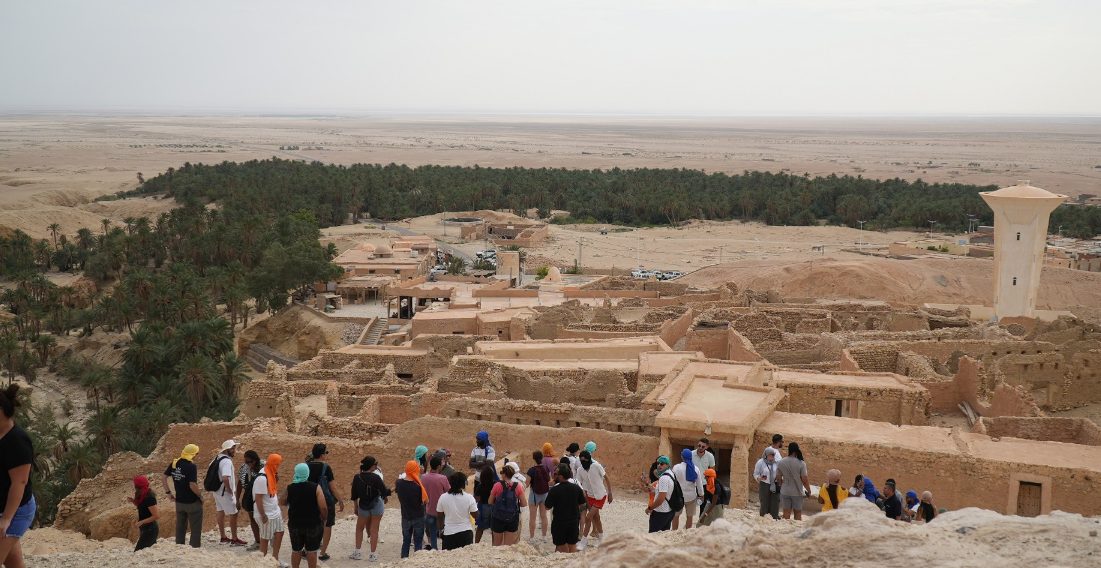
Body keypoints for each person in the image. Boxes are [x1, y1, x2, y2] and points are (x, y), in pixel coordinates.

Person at [0, 385, 36, 568]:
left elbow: (19, 482)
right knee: (15, 564)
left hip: (15, 511)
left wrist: (6, 519)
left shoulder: (17, 441)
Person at [304, 443, 344, 561]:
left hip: (310, 499)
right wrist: (340, 501)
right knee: (327, 525)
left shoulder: (306, 466)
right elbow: (332, 487)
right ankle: (322, 553)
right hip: (325, 500)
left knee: (311, 524)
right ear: (322, 455)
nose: (326, 455)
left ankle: (307, 550)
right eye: (326, 453)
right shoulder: (326, 467)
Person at [282, 463, 327, 568]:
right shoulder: (316, 487)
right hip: (312, 523)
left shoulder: (290, 487)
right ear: (307, 473)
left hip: (295, 524)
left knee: (296, 550)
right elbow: (323, 507)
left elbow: (282, 501)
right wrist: (324, 518)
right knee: (312, 551)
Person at [162, 443, 203, 548]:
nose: (196, 455)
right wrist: (200, 495)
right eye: (196, 453)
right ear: (192, 454)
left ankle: (179, 547)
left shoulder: (175, 463)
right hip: (192, 502)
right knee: (195, 528)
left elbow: (164, 477)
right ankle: (194, 549)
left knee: (180, 527)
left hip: (179, 502)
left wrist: (168, 493)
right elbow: (192, 484)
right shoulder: (191, 466)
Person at [350, 456, 389, 562]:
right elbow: (384, 491)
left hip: (363, 505)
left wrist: (355, 507)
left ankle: (357, 552)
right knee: (374, 530)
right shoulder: (376, 478)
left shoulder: (357, 477)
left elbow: (354, 495)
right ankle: (372, 555)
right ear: (371, 466)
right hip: (376, 504)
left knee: (359, 528)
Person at [544, 463, 586, 553]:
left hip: (559, 522)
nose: (556, 476)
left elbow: (547, 507)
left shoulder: (554, 490)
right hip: (574, 521)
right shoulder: (576, 488)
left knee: (561, 546)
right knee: (572, 545)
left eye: (557, 474)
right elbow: (582, 503)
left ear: (561, 476)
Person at [575, 449, 612, 549]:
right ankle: (601, 538)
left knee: (588, 517)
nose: (583, 463)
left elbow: (607, 478)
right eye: (581, 461)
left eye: (585, 461)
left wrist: (610, 493)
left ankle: (583, 541)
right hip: (589, 496)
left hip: (600, 496)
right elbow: (579, 484)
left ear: (588, 459)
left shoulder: (596, 466)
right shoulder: (580, 470)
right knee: (596, 518)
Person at [254, 453, 286, 566]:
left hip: (274, 510)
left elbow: (270, 490)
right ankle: (262, 563)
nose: (278, 466)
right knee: (265, 539)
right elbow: (258, 498)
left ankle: (274, 559)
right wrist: (263, 515)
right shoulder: (262, 477)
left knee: (280, 532)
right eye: (277, 464)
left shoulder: (271, 473)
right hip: (266, 513)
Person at [213, 439, 245, 546]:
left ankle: (223, 537)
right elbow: (226, 478)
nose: (234, 450)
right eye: (233, 448)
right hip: (225, 491)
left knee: (220, 511)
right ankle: (234, 539)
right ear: (228, 449)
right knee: (234, 513)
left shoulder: (216, 459)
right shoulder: (226, 461)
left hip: (217, 491)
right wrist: (230, 491)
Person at [436, 472, 477, 550]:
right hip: (466, 533)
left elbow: (439, 516)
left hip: (449, 533)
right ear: (463, 484)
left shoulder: (443, 497)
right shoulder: (469, 498)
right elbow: (475, 515)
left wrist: (441, 530)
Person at [487, 463, 526, 546]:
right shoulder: (518, 486)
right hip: (512, 518)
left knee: (496, 545)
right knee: (508, 546)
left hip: (497, 517)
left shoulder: (497, 485)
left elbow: (490, 502)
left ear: (504, 474)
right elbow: (524, 504)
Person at [396, 460, 428, 558]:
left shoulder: (399, 483)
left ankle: (403, 561)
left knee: (406, 541)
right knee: (418, 542)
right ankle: (416, 562)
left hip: (405, 516)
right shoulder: (418, 487)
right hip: (418, 517)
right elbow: (425, 501)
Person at [775, 442, 811, 520]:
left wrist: (781, 485)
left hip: (785, 491)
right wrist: (808, 490)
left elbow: (778, 476)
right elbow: (804, 479)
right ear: (797, 450)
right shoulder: (801, 463)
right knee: (797, 513)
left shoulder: (782, 461)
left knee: (786, 513)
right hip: (797, 492)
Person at [422, 455, 451, 551]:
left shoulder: (424, 477)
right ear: (438, 466)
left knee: (432, 532)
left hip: (429, 510)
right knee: (445, 531)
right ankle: (445, 549)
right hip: (442, 511)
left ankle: (434, 549)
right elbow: (449, 491)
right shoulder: (443, 478)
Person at [237, 450, 264, 551]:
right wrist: (237, 499)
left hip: (262, 497)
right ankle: (258, 542)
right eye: (246, 461)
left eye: (250, 462)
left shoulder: (264, 466)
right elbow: (239, 484)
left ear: (255, 460)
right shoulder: (243, 468)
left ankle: (267, 541)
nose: (248, 464)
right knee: (253, 519)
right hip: (249, 497)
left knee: (264, 519)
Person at [671, 448, 703, 530]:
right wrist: (701, 494)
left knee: (676, 515)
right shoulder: (695, 469)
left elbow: (672, 481)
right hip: (691, 497)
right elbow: (699, 483)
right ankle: (687, 532)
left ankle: (674, 532)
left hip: (679, 496)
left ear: (682, 456)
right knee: (690, 516)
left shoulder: (676, 468)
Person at [645, 455, 676, 533]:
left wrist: (650, 508)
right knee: (663, 536)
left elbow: (661, 499)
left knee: (653, 537)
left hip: (660, 512)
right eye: (658, 463)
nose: (659, 465)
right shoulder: (671, 473)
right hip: (669, 510)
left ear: (668, 465)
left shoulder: (664, 478)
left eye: (662, 464)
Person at [526, 451, 550, 542]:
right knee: (544, 516)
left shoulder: (531, 470)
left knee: (532, 517)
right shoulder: (545, 468)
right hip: (544, 494)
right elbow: (548, 480)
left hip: (534, 495)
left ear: (533, 458)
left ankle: (532, 537)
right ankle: (544, 537)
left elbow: (527, 484)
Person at [131, 475, 160, 551]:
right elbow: (142, 505)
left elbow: (156, 516)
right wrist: (132, 501)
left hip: (150, 529)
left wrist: (141, 522)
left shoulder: (149, 497)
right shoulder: (139, 494)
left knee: (138, 552)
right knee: (148, 553)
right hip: (144, 528)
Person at [753, 447, 781, 519]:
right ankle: (764, 518)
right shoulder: (760, 462)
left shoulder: (776, 463)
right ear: (766, 455)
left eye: (773, 455)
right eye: (770, 455)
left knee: (775, 502)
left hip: (774, 484)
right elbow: (755, 474)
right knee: (764, 502)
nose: (772, 457)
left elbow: (780, 472)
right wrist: (760, 478)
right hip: (764, 484)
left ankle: (774, 517)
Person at [473, 462, 496, 544]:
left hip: (482, 507)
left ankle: (476, 543)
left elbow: (476, 498)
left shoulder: (480, 486)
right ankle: (495, 544)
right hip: (493, 506)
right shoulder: (495, 484)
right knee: (494, 528)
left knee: (480, 528)